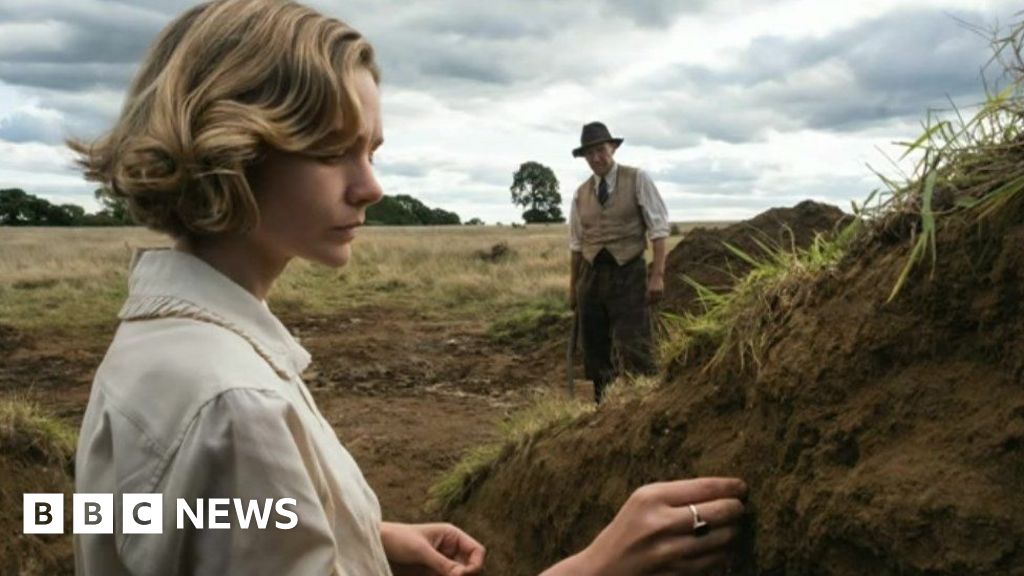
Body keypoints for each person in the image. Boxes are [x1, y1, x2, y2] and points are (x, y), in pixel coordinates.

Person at [70, 1, 746, 574]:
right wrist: (594, 566)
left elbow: (173, 520)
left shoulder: (156, 345)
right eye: (333, 151)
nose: (372, 186)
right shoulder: (234, 406)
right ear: (231, 147)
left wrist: (364, 537)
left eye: (373, 151)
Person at [569, 121, 671, 404]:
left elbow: (659, 229)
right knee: (595, 348)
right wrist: (573, 288)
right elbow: (577, 245)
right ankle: (604, 406)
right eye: (590, 154)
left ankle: (646, 404)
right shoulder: (580, 193)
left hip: (628, 272)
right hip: (590, 277)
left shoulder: (637, 179)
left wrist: (657, 275)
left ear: (612, 148)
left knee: (635, 343)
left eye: (601, 150)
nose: (596, 159)